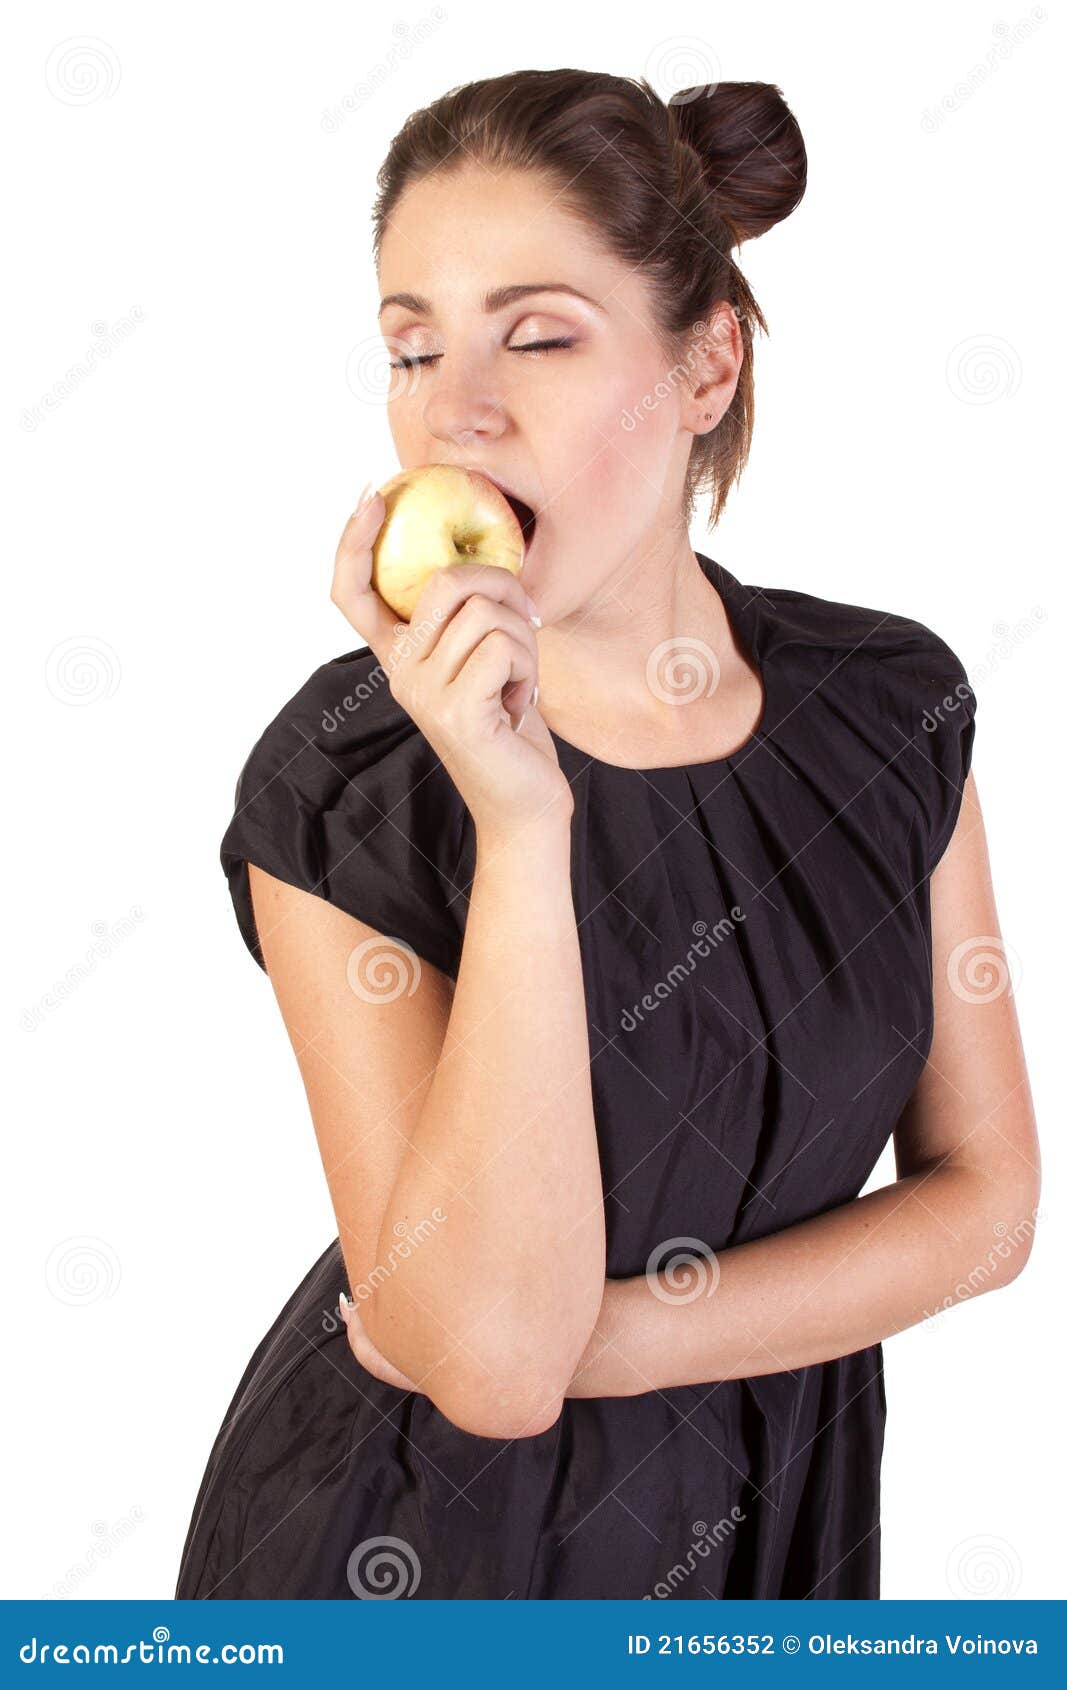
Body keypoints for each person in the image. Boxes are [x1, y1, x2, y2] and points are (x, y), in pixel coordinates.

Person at [176, 70, 1039, 1600]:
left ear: (707, 363)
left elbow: (986, 1207)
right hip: (422, 1556)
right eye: (414, 347)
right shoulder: (345, 774)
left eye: (541, 334)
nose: (457, 408)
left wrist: (619, 1334)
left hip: (775, 1538)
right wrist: (517, 821)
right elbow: (495, 1373)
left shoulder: (888, 706)